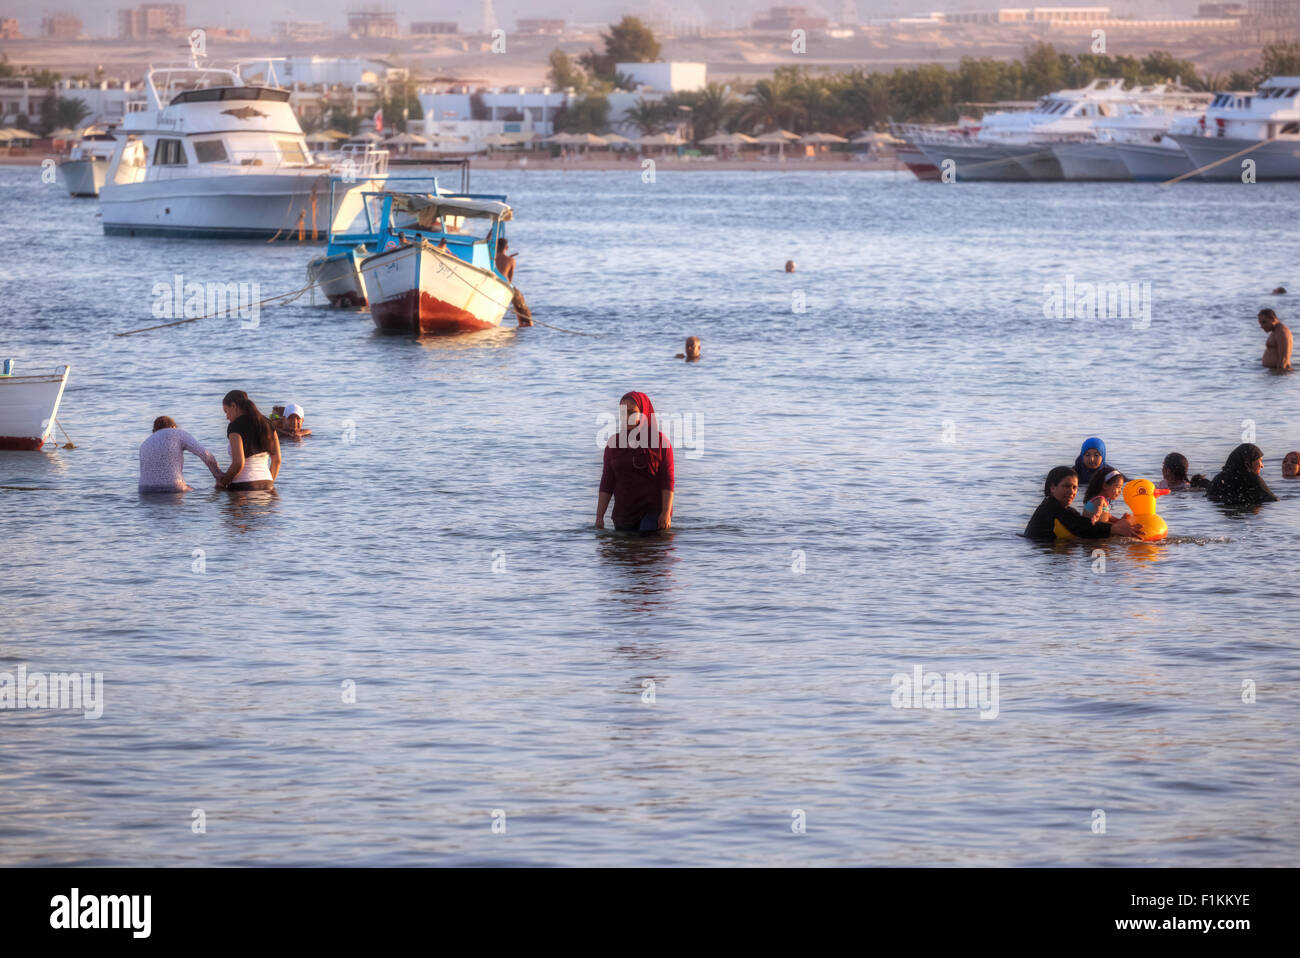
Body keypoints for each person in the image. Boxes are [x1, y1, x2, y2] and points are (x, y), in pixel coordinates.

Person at [596, 391, 675, 533]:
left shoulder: (660, 443)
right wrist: (599, 516)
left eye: (632, 412)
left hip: (653, 514)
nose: (626, 417)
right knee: (623, 551)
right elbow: (607, 481)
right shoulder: (614, 444)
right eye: (623, 413)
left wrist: (665, 513)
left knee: (645, 542)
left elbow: (667, 480)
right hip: (623, 515)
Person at [1024, 466, 1135, 540]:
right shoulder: (1050, 507)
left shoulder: (1067, 510)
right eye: (1066, 486)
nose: (1072, 491)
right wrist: (1115, 529)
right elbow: (1082, 527)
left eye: (1075, 487)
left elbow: (1083, 522)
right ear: (1053, 487)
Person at [215, 390, 281, 492]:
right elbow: (277, 460)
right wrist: (268, 483)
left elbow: (239, 463)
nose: (227, 417)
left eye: (226, 411)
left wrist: (222, 483)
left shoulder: (235, 426)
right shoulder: (268, 423)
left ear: (233, 406)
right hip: (268, 485)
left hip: (243, 487)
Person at [138, 416, 222, 493]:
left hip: (145, 490)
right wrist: (218, 476)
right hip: (173, 487)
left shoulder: (144, 443)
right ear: (174, 427)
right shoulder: (177, 433)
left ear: (154, 431)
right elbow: (205, 454)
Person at [1207, 443, 1278, 505]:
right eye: (1260, 460)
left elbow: (1210, 498)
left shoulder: (1218, 479)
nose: (1262, 465)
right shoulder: (1254, 480)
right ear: (1249, 461)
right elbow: (1273, 500)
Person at [495, 236, 532, 327]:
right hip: (504, 284)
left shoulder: (491, 257)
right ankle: (526, 323)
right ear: (506, 248)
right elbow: (510, 279)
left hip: (493, 281)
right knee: (520, 301)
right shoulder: (511, 260)